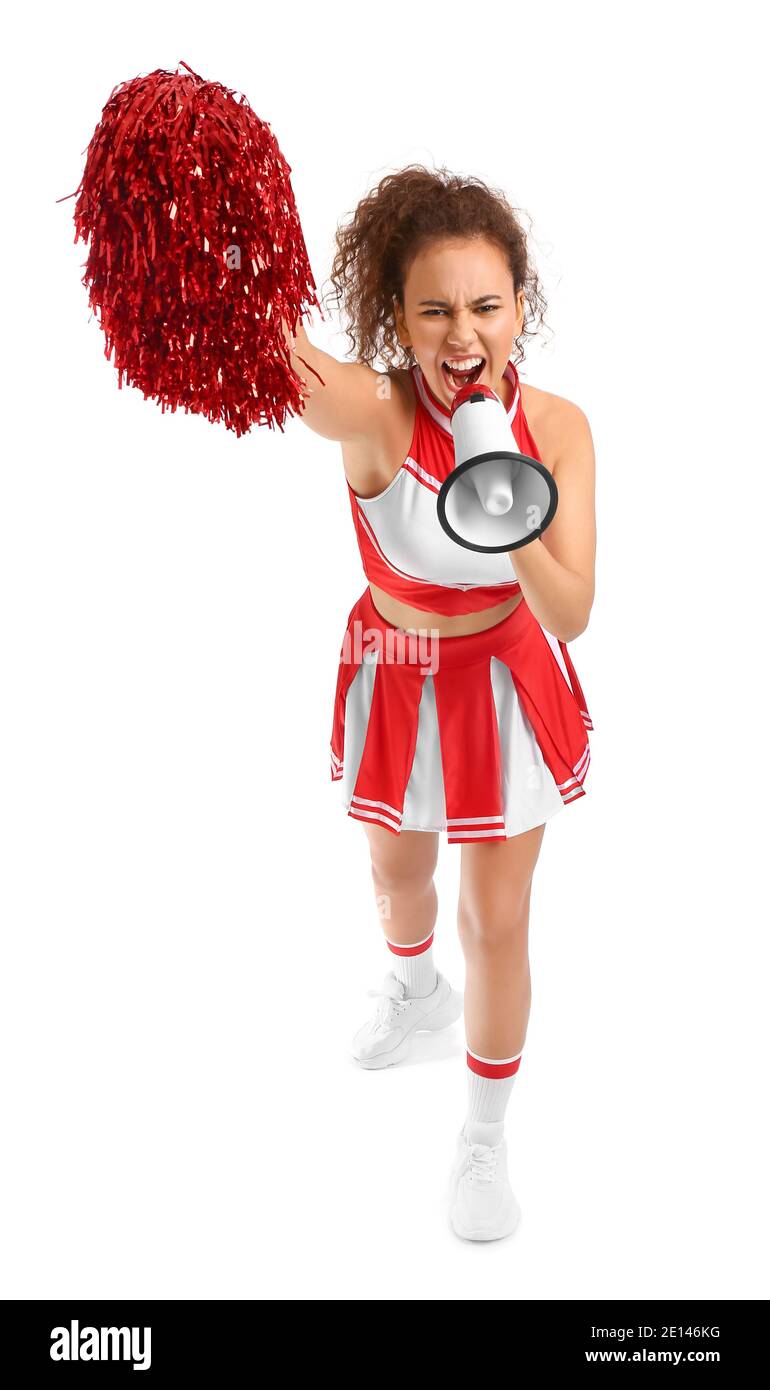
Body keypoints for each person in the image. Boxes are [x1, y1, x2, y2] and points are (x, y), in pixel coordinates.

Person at [281, 166, 596, 1242]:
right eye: (432, 309)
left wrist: (503, 504)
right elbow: (255, 357)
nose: (461, 334)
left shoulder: (556, 427)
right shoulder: (371, 409)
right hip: (395, 662)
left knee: (495, 919)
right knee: (394, 871)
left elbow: (571, 612)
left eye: (484, 305)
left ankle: (482, 1138)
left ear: (519, 306)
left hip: (505, 680)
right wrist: (211, 222)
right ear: (394, 315)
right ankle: (414, 993)